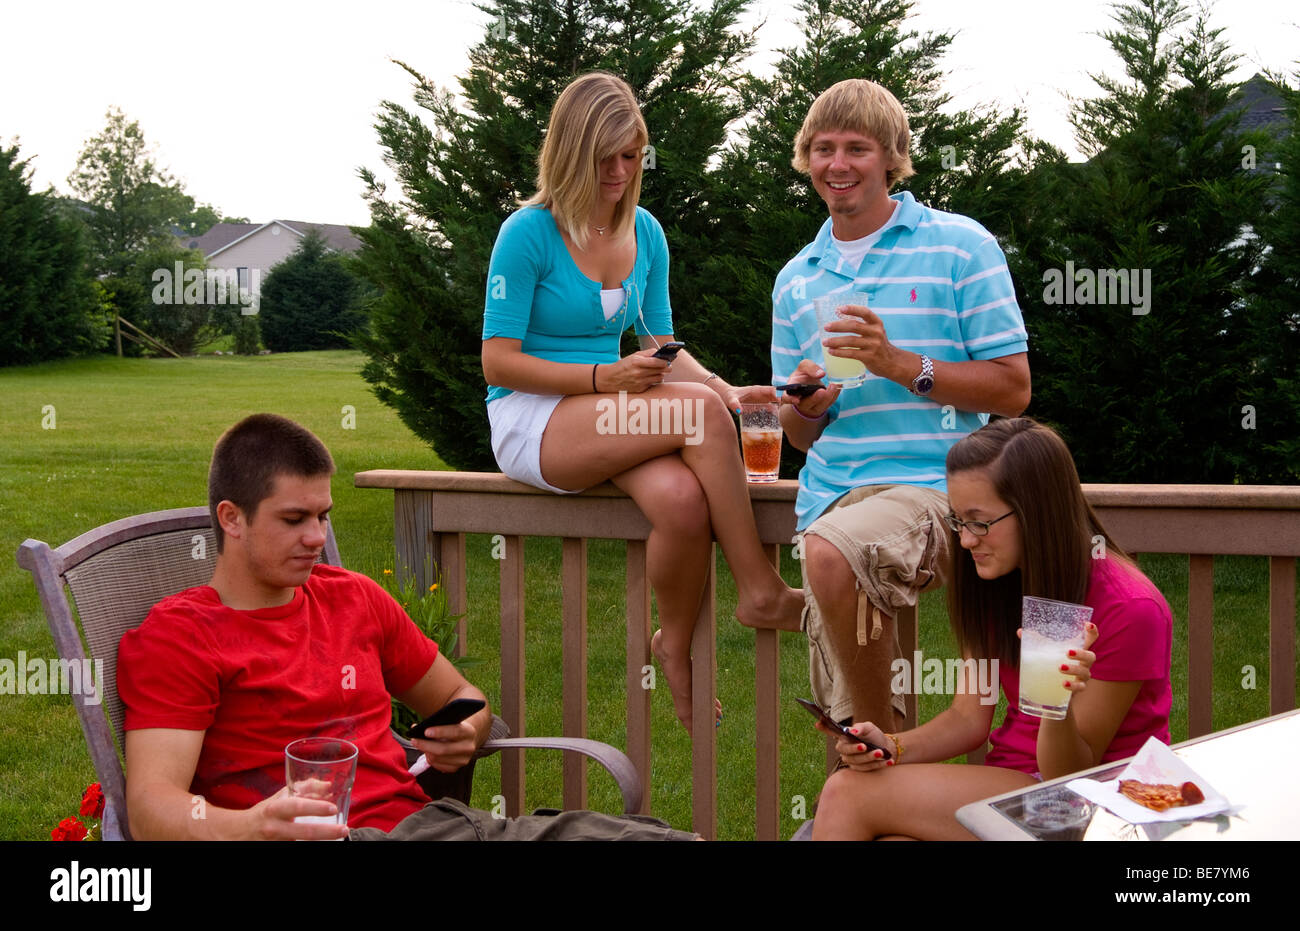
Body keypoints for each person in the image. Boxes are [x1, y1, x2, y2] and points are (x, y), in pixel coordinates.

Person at [117, 413, 696, 840]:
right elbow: (149, 811)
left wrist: (467, 728)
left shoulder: (354, 600)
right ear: (231, 519)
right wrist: (253, 825)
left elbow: (459, 697)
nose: (318, 538)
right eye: (294, 519)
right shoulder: (181, 637)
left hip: (438, 828)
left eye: (323, 516)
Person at [480, 71, 803, 733]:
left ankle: (674, 649)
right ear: (572, 150)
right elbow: (496, 360)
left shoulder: (646, 233)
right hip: (530, 415)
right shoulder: (528, 233)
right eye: (606, 158)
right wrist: (605, 378)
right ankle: (760, 588)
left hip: (608, 413)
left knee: (683, 502)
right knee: (694, 415)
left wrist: (726, 390)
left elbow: (660, 344)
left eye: (632, 155)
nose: (621, 171)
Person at [767, 78, 1031, 734]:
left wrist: (900, 366)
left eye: (857, 147)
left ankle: (879, 747)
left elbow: (1012, 388)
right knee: (839, 732)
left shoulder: (961, 245)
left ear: (892, 156)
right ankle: (872, 768)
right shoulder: (797, 277)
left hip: (938, 489)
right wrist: (808, 401)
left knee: (829, 556)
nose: (838, 164)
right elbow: (799, 440)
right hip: (832, 497)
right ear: (807, 159)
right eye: (823, 148)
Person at [810, 418, 1173, 840]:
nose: (965, 540)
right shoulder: (1000, 582)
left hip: (1097, 802)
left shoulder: (1130, 607)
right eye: (958, 521)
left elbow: (1070, 773)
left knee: (847, 794)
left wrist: (1054, 704)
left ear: (1037, 513)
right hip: (1016, 784)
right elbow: (968, 718)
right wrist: (893, 746)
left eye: (979, 522)